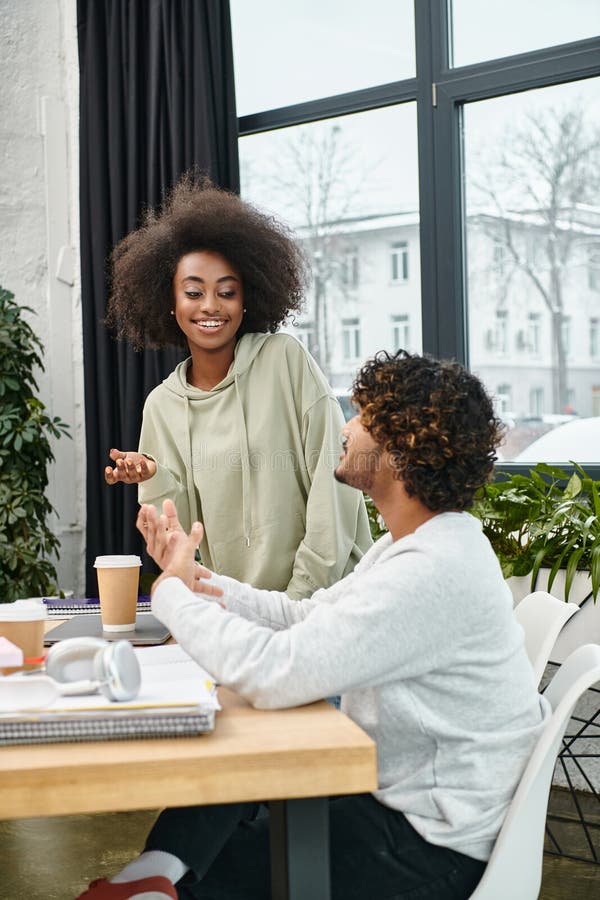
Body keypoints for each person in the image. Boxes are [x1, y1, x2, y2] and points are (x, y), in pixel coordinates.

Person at [80, 350, 549, 900]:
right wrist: (201, 579)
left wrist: (172, 594)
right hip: (402, 807)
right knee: (235, 779)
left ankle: (153, 885)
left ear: (404, 450)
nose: (346, 425)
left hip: (430, 849)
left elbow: (276, 672)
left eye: (364, 417)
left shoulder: (432, 570)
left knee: (218, 869)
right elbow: (306, 615)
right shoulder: (420, 543)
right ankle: (151, 878)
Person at [103, 172, 371, 599]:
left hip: (332, 599)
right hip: (244, 612)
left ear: (246, 301)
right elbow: (180, 536)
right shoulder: (162, 405)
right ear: (169, 303)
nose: (210, 306)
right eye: (193, 292)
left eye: (226, 292)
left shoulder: (286, 360)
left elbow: (333, 485)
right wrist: (153, 477)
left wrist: (296, 602)